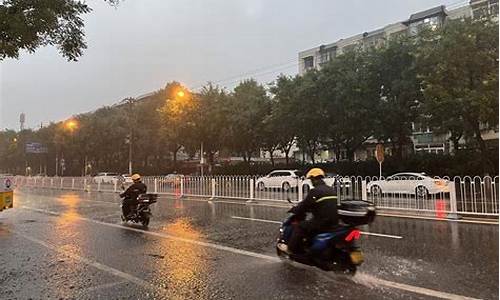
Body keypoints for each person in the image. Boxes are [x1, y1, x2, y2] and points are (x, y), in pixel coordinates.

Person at [281, 168, 339, 255]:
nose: (311, 182)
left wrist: (295, 209)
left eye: (311, 180)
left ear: (314, 179)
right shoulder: (331, 190)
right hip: (334, 222)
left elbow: (305, 205)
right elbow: (323, 204)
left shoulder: (315, 191)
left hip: (321, 223)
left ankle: (290, 249)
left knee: (300, 227)